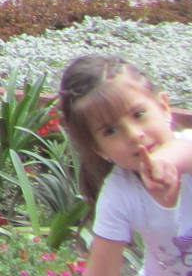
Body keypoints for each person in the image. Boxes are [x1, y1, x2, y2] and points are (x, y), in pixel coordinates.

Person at [57, 55, 192, 276]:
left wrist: (165, 162)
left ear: (164, 107)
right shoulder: (119, 193)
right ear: (99, 149)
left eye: (139, 114)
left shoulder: (188, 143)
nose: (134, 135)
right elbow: (102, 271)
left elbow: (185, 151)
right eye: (110, 131)